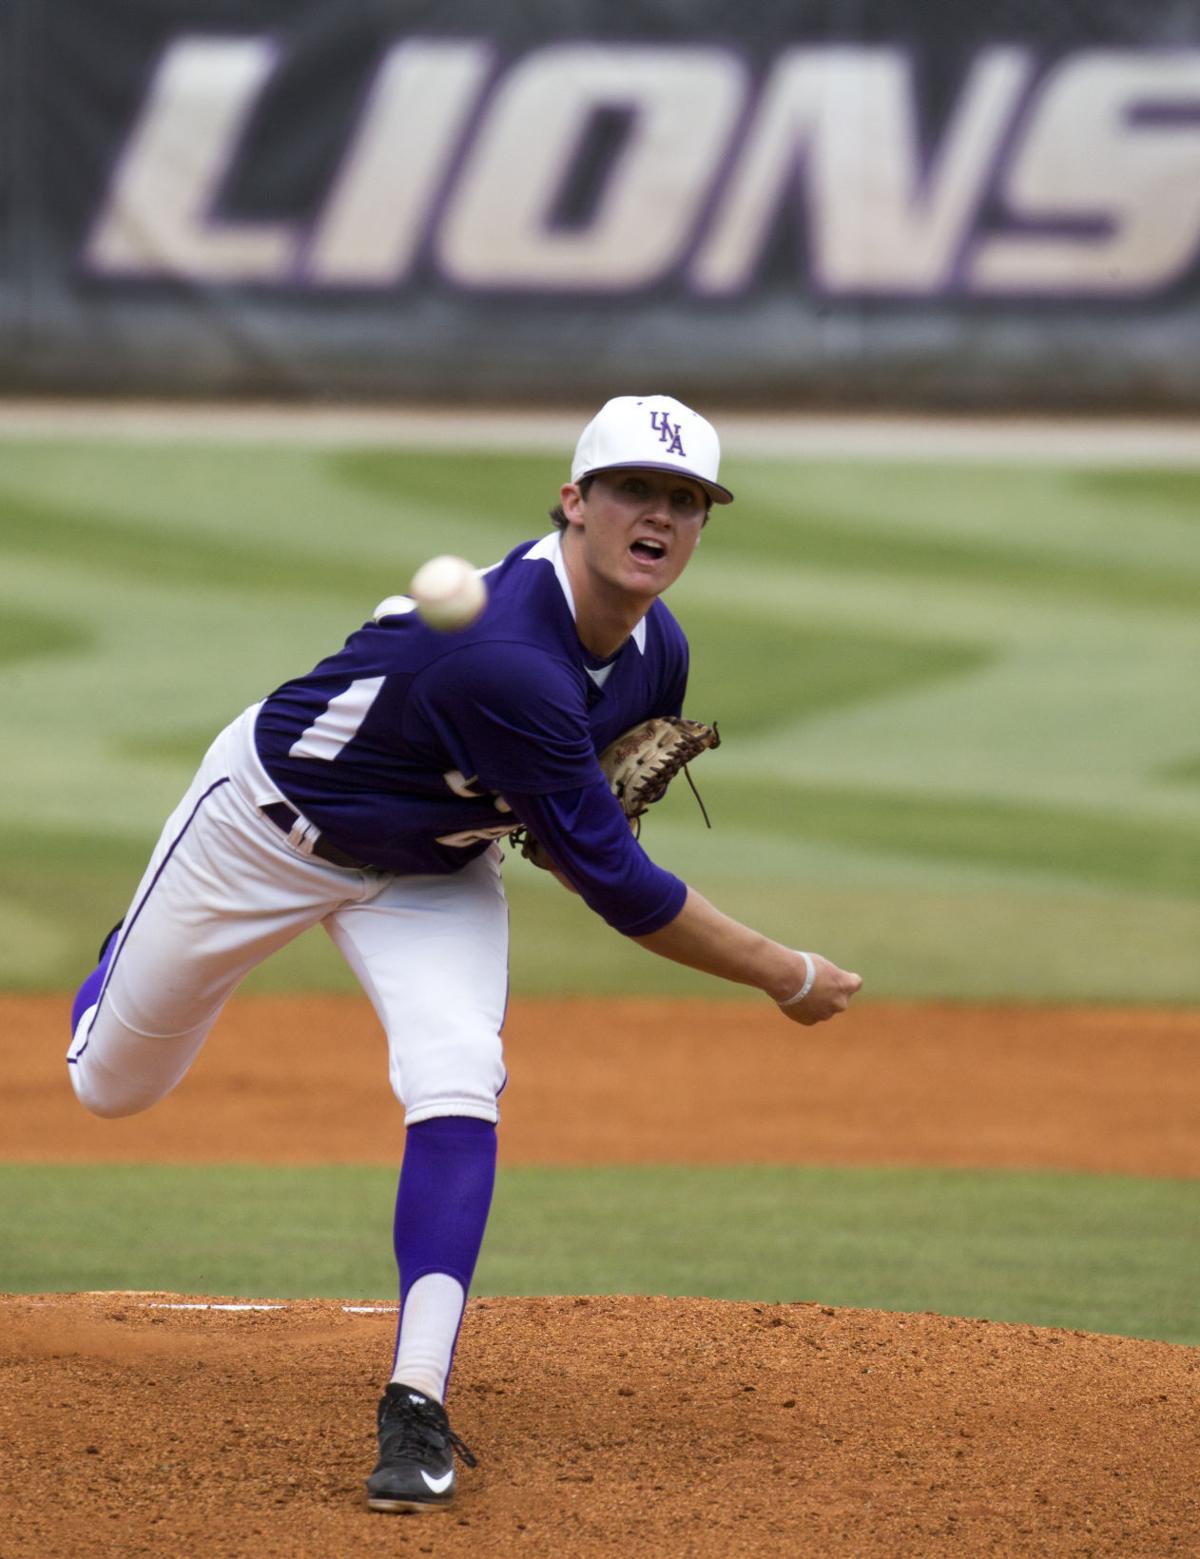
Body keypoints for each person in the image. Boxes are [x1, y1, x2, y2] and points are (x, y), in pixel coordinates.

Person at [67, 394, 862, 1514]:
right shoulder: (506, 656)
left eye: (687, 500)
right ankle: (127, 952)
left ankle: (416, 1399)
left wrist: (558, 824)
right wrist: (787, 971)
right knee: (110, 1087)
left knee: (460, 1074)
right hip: (263, 828)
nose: (661, 515)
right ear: (574, 502)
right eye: (636, 488)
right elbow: (621, 889)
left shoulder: (657, 651)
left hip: (433, 869)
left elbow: (560, 832)